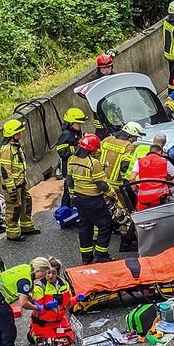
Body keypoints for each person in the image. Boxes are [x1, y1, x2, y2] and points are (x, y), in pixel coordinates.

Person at [66, 134, 114, 264]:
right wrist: (112, 193)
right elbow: (101, 184)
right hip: (93, 200)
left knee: (85, 227)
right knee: (105, 225)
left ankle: (86, 258)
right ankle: (101, 254)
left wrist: (72, 196)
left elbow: (69, 180)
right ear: (92, 149)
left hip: (78, 198)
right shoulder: (93, 163)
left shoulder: (71, 159)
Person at [0, 256, 51, 346]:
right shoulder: (25, 281)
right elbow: (23, 303)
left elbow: (25, 294)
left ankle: (2, 344)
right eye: (43, 275)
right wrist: (37, 308)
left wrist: (33, 301)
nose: (42, 278)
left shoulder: (26, 267)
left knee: (3, 322)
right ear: (38, 271)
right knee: (9, 327)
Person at [0, 119, 39, 242]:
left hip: (20, 183)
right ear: (12, 134)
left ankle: (26, 227)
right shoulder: (7, 150)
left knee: (26, 203)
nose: (21, 135)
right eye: (19, 133)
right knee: (14, 209)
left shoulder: (15, 146)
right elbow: (6, 171)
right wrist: (11, 189)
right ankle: (13, 233)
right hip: (13, 186)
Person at [28, 257, 73, 346]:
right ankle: (32, 333)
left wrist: (65, 313)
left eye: (53, 273)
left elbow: (68, 302)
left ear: (58, 274)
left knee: (67, 342)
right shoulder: (39, 287)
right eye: (48, 273)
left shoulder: (64, 285)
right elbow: (37, 307)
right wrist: (46, 307)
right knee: (47, 345)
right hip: (42, 322)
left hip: (58, 320)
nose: (50, 276)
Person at [100, 121, 145, 210]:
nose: (135, 140)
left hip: (102, 181)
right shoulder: (128, 146)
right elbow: (124, 167)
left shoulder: (107, 140)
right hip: (117, 184)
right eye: (135, 137)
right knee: (124, 208)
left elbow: (97, 156)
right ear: (130, 136)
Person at [133, 142, 174, 211]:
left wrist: (135, 191)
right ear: (160, 152)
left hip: (144, 200)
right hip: (160, 198)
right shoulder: (165, 161)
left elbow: (132, 178)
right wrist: (167, 184)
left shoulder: (139, 161)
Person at [55, 108, 86, 209]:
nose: (80, 126)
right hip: (68, 167)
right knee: (68, 192)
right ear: (71, 123)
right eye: (78, 123)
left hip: (74, 166)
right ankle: (65, 211)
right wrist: (78, 148)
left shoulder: (77, 131)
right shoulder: (67, 134)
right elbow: (61, 151)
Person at [91, 53, 116, 138]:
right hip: (100, 114)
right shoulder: (93, 80)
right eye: (104, 68)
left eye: (108, 67)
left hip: (115, 112)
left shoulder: (115, 77)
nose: (107, 70)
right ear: (99, 68)